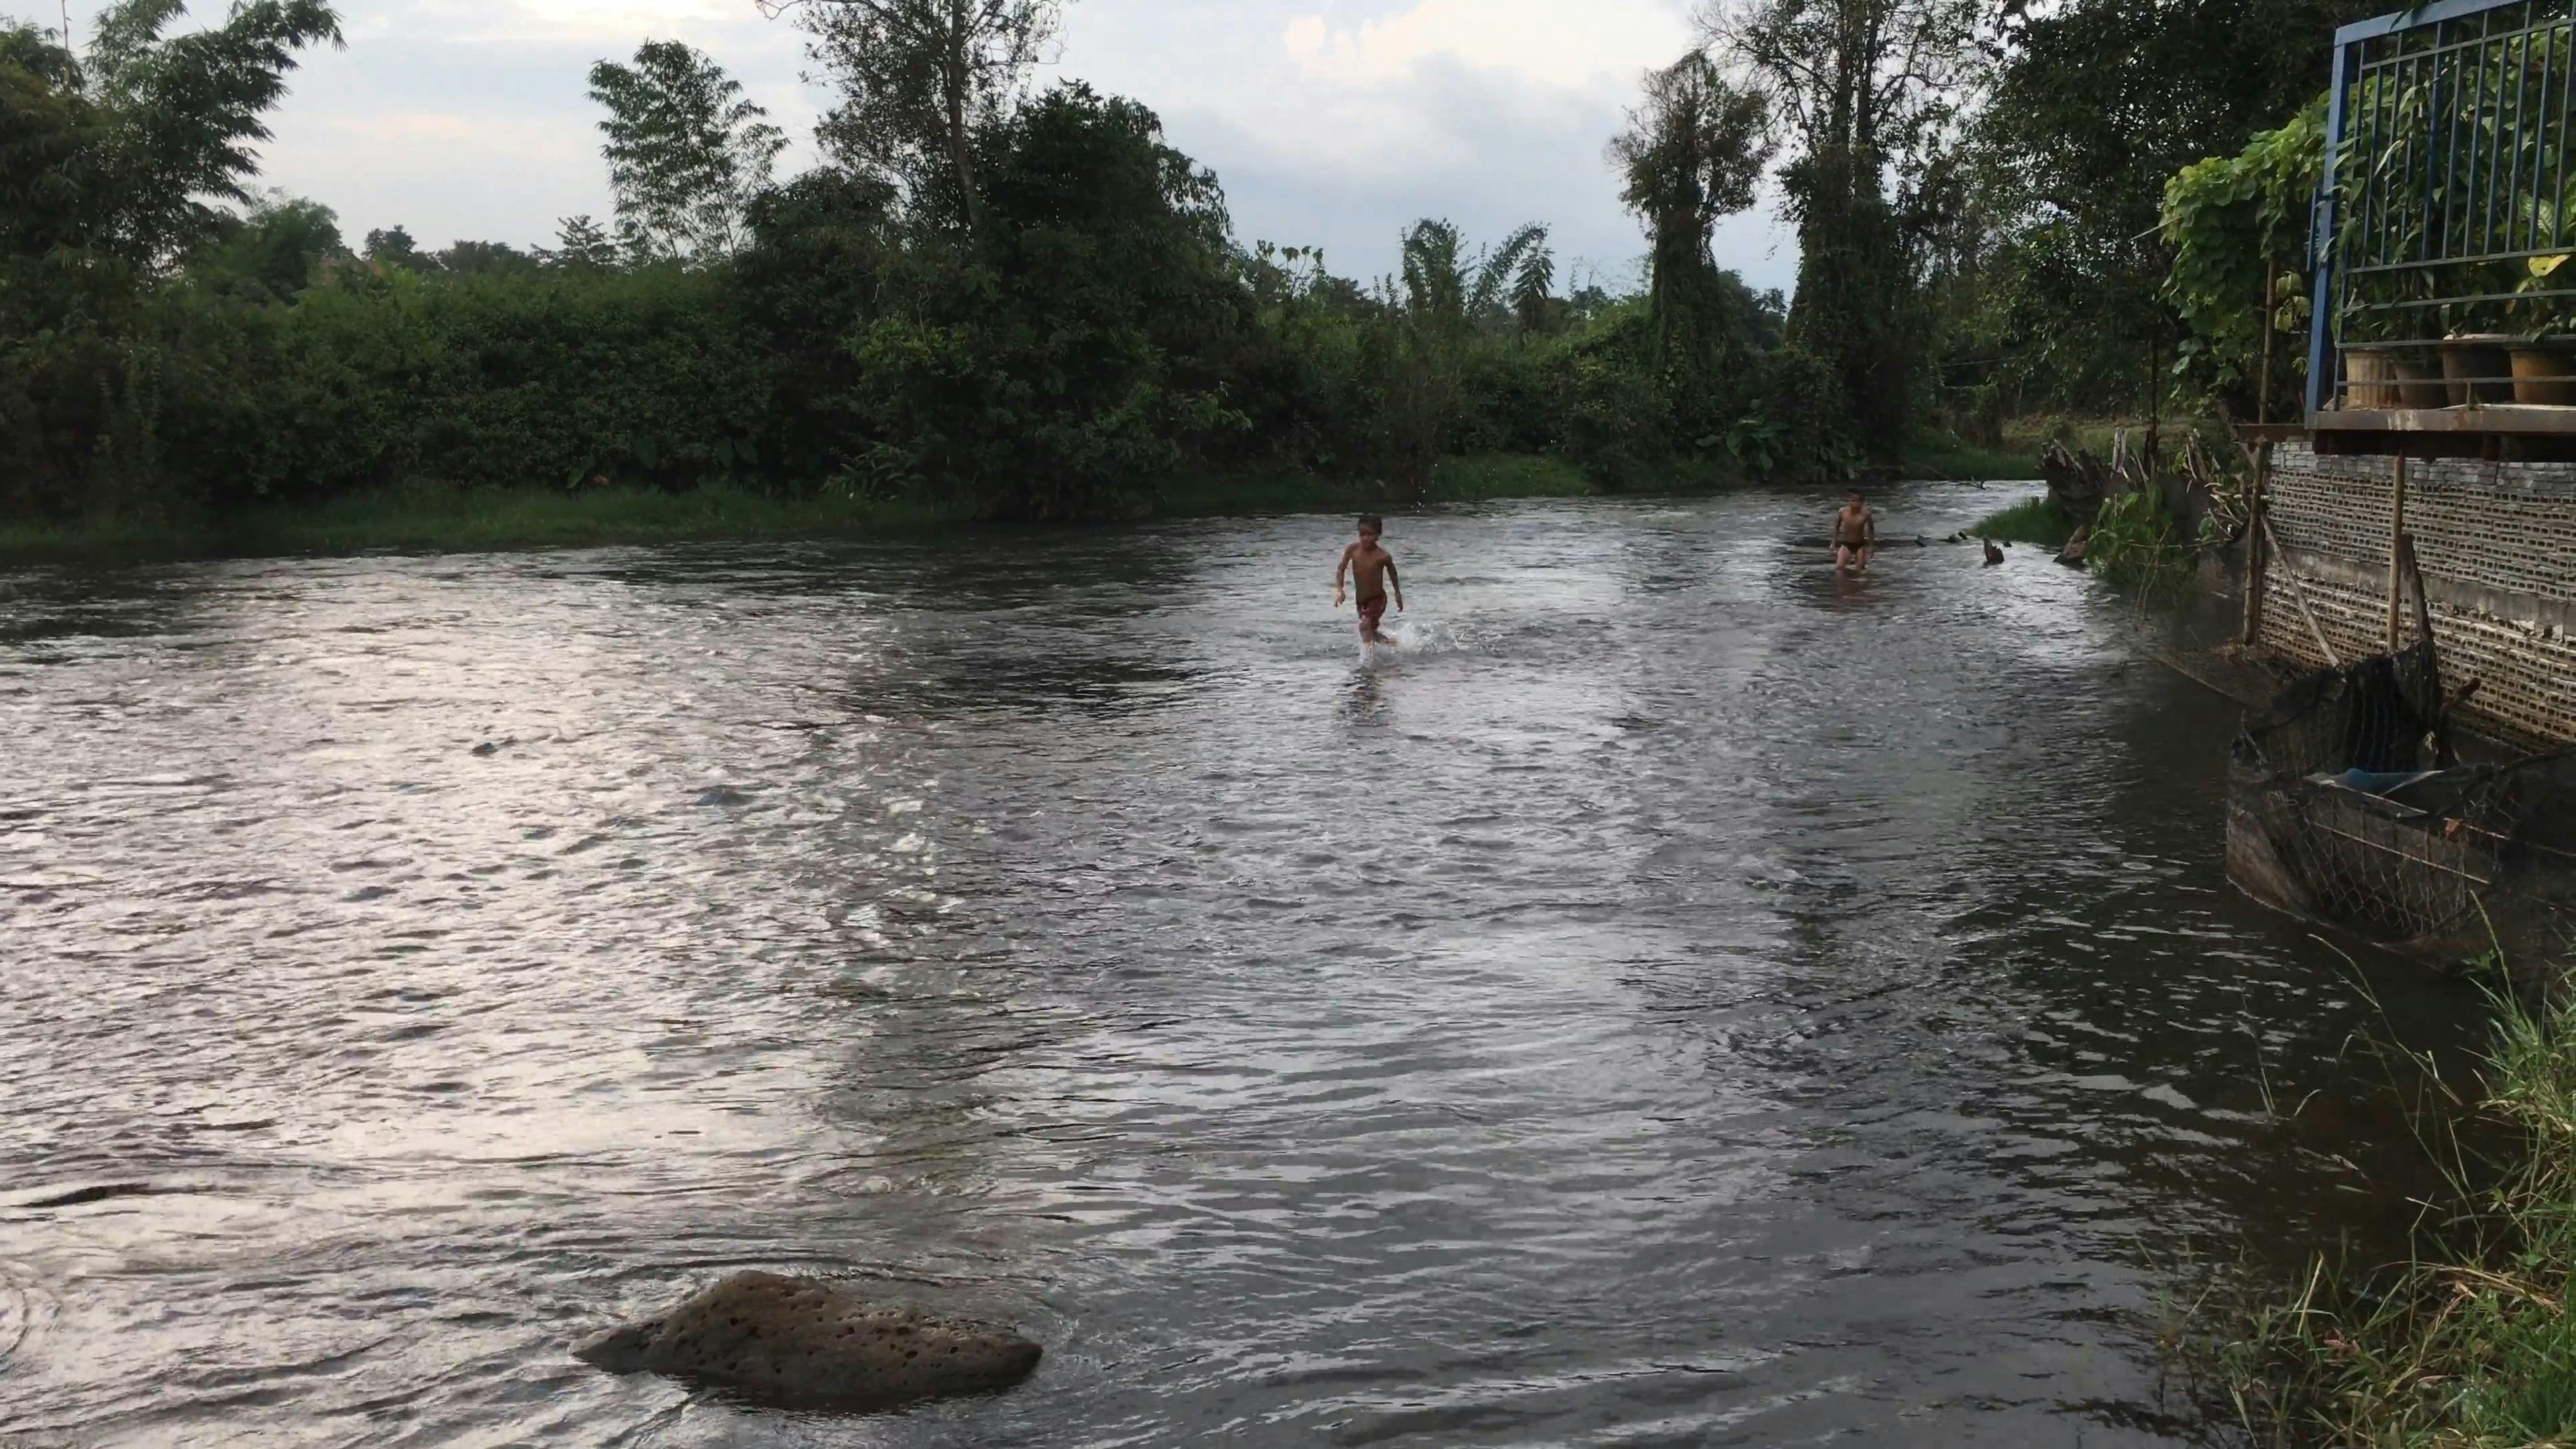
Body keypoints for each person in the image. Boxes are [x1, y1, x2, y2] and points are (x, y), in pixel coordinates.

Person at [1334, 515, 1404, 647]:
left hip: (1378, 599)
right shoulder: (1353, 550)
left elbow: (1393, 574)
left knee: (1364, 628)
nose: (1365, 538)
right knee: (1370, 631)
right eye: (1362, 534)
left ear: (1378, 535)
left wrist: (1397, 593)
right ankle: (1392, 644)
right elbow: (1341, 569)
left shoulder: (1383, 556)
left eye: (1369, 534)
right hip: (1361, 601)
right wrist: (1340, 590)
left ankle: (1369, 661)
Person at [1832, 491, 1877, 574]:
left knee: (1860, 570)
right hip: (1846, 544)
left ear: (1862, 502)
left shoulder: (1866, 514)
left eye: (1858, 501)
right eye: (1853, 501)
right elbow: (1836, 527)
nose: (1855, 504)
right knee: (1839, 568)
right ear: (1849, 501)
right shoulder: (1843, 512)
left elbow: (1871, 530)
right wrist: (1834, 543)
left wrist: (1871, 547)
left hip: (1860, 545)